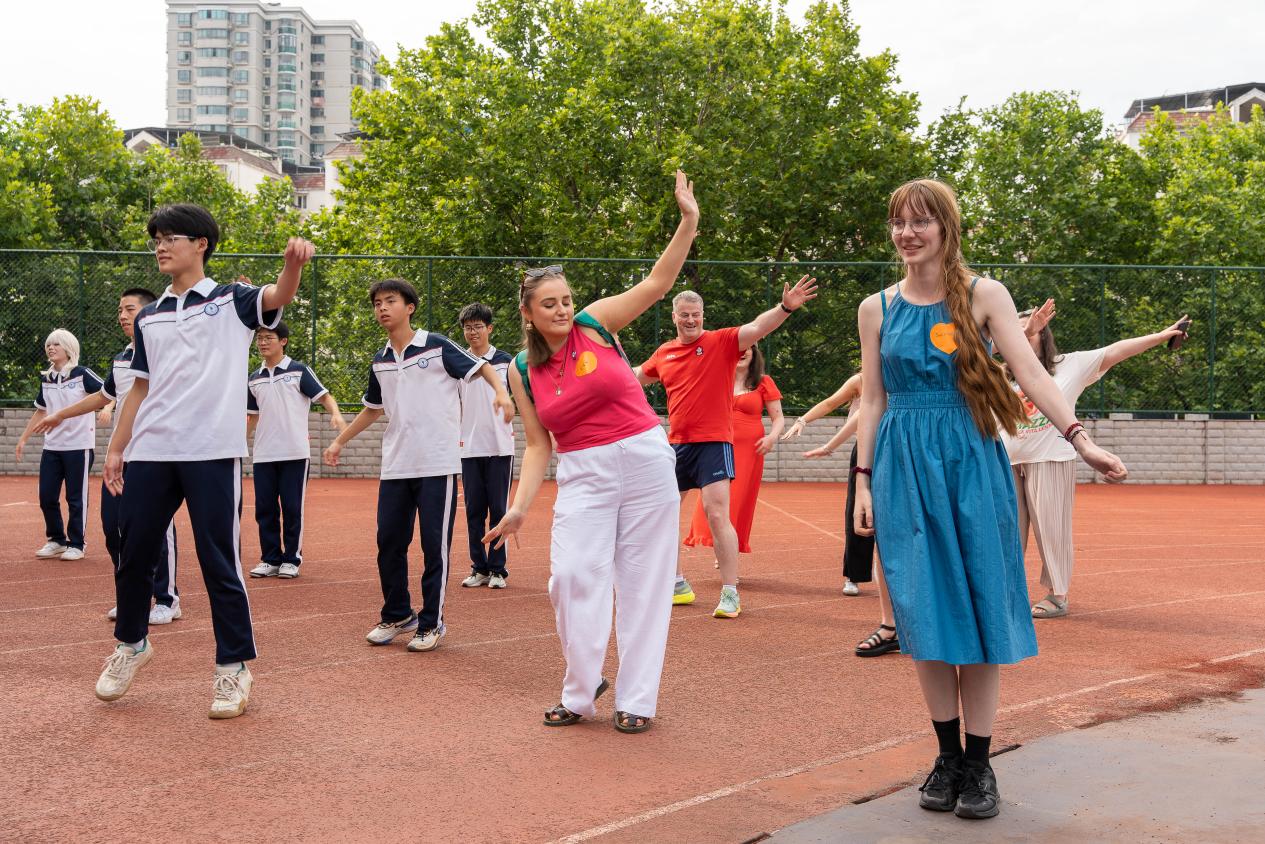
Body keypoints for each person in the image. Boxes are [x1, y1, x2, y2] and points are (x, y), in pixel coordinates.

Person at [852, 179, 1128, 820]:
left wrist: (1081, 440)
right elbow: (873, 397)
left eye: (921, 221)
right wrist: (863, 480)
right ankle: (946, 757)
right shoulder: (876, 308)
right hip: (903, 468)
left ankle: (979, 763)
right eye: (899, 222)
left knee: (978, 608)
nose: (907, 233)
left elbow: (1030, 372)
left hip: (971, 462)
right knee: (922, 611)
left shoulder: (984, 295)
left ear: (946, 227)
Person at [483, 170, 697, 734]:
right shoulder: (520, 369)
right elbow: (537, 445)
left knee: (644, 583)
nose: (561, 310)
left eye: (566, 300)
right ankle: (581, 691)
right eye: (549, 304)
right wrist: (518, 507)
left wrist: (688, 221)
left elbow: (657, 283)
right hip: (583, 471)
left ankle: (637, 699)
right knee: (570, 578)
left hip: (645, 459)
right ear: (528, 313)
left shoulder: (595, 325)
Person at [94, 203, 314, 720]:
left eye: (171, 237)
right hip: (152, 450)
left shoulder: (231, 300)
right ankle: (131, 644)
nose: (161, 247)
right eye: (156, 239)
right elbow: (140, 387)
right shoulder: (149, 316)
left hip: (211, 451)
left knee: (219, 560)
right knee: (133, 553)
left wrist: (293, 265)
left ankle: (233, 667)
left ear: (201, 244)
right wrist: (117, 447)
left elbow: (278, 296)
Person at [323, 280, 513, 653]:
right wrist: (340, 440)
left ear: (409, 307)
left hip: (437, 464)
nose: (382, 308)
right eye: (377, 303)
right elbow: (373, 409)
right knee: (388, 543)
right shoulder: (380, 360)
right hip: (396, 465)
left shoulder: (437, 345)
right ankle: (397, 615)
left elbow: (482, 368)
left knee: (433, 546)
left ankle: (431, 622)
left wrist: (502, 394)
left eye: (390, 301)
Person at [636, 276, 818, 619]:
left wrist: (785, 307)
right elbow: (633, 379)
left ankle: (730, 592)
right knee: (662, 515)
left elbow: (757, 327)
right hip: (677, 446)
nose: (691, 320)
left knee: (717, 513)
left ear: (703, 316)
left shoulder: (720, 342)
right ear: (674, 317)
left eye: (696, 314)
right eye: (685, 315)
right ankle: (677, 584)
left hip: (714, 443)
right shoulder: (664, 353)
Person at [1003, 299, 1190, 619]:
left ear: (1044, 334)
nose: (1021, 336)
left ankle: (1057, 594)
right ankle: (1007, 592)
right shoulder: (999, 374)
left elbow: (1115, 351)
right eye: (1015, 332)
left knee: (1052, 529)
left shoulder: (1069, 365)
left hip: (1051, 458)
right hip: (1007, 461)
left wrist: (1161, 336)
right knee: (1007, 531)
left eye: (1029, 330)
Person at [33, 289, 182, 624]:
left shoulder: (170, 351)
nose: (123, 316)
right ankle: (132, 597)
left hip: (157, 454)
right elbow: (103, 396)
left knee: (158, 528)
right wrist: (60, 415)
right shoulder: (121, 358)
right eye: (119, 311)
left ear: (150, 313)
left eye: (130, 309)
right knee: (114, 529)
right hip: (121, 456)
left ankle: (167, 599)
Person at [247, 321, 346, 580]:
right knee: (265, 509)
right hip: (264, 454)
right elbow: (252, 415)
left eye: (268, 337)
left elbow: (324, 396)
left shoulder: (298, 371)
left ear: (283, 341)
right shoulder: (254, 378)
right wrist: (240, 441)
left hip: (294, 453)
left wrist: (336, 414)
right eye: (260, 338)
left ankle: (291, 559)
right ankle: (270, 559)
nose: (262, 342)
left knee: (292, 508)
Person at [682, 343, 784, 557]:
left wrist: (771, 438)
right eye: (737, 349)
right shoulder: (719, 380)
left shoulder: (763, 382)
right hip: (718, 445)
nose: (742, 353)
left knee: (737, 499)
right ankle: (719, 544)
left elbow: (778, 418)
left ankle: (727, 551)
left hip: (749, 450)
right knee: (713, 498)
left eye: (747, 348)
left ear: (754, 353)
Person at [16, 329, 103, 562]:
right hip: (52, 447)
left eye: (56, 344)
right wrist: (23, 438)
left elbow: (107, 392)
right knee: (46, 496)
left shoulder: (81, 374)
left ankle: (77, 544)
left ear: (69, 348)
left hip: (79, 446)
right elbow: (41, 411)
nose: (51, 347)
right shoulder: (46, 379)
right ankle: (56, 540)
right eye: (48, 344)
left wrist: (107, 408)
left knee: (75, 499)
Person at [456, 302, 516, 591]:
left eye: (478, 326)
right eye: (468, 328)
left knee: (499, 510)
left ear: (489, 328)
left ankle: (497, 569)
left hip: (500, 447)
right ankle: (478, 567)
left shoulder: (505, 362)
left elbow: (521, 397)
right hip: (469, 448)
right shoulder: (457, 363)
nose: (473, 332)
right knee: (473, 512)